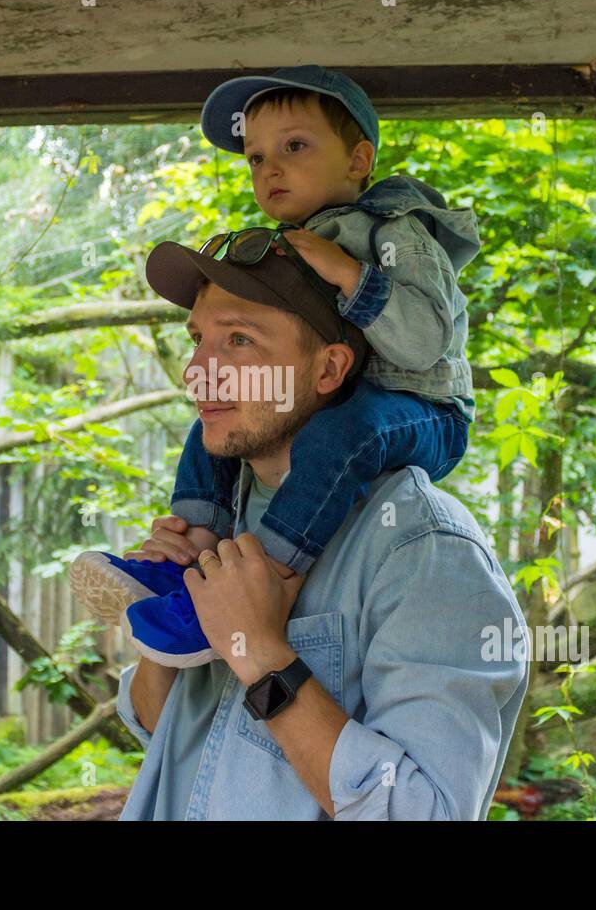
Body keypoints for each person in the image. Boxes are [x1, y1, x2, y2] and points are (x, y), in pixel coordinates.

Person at [69, 64, 483, 668]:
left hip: (427, 410)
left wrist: (349, 276)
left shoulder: (396, 235)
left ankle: (264, 574)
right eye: (256, 158)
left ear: (359, 159)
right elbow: (159, 730)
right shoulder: (301, 238)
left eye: (295, 146)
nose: (270, 170)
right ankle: (190, 563)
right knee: (208, 426)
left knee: (348, 430)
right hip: (355, 409)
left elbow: (423, 347)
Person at [111, 239, 528, 820]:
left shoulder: (425, 550)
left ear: (329, 367)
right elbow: (161, 726)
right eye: (198, 341)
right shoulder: (218, 519)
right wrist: (175, 608)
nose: (197, 371)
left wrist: (261, 654)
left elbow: (426, 812)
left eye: (238, 340)